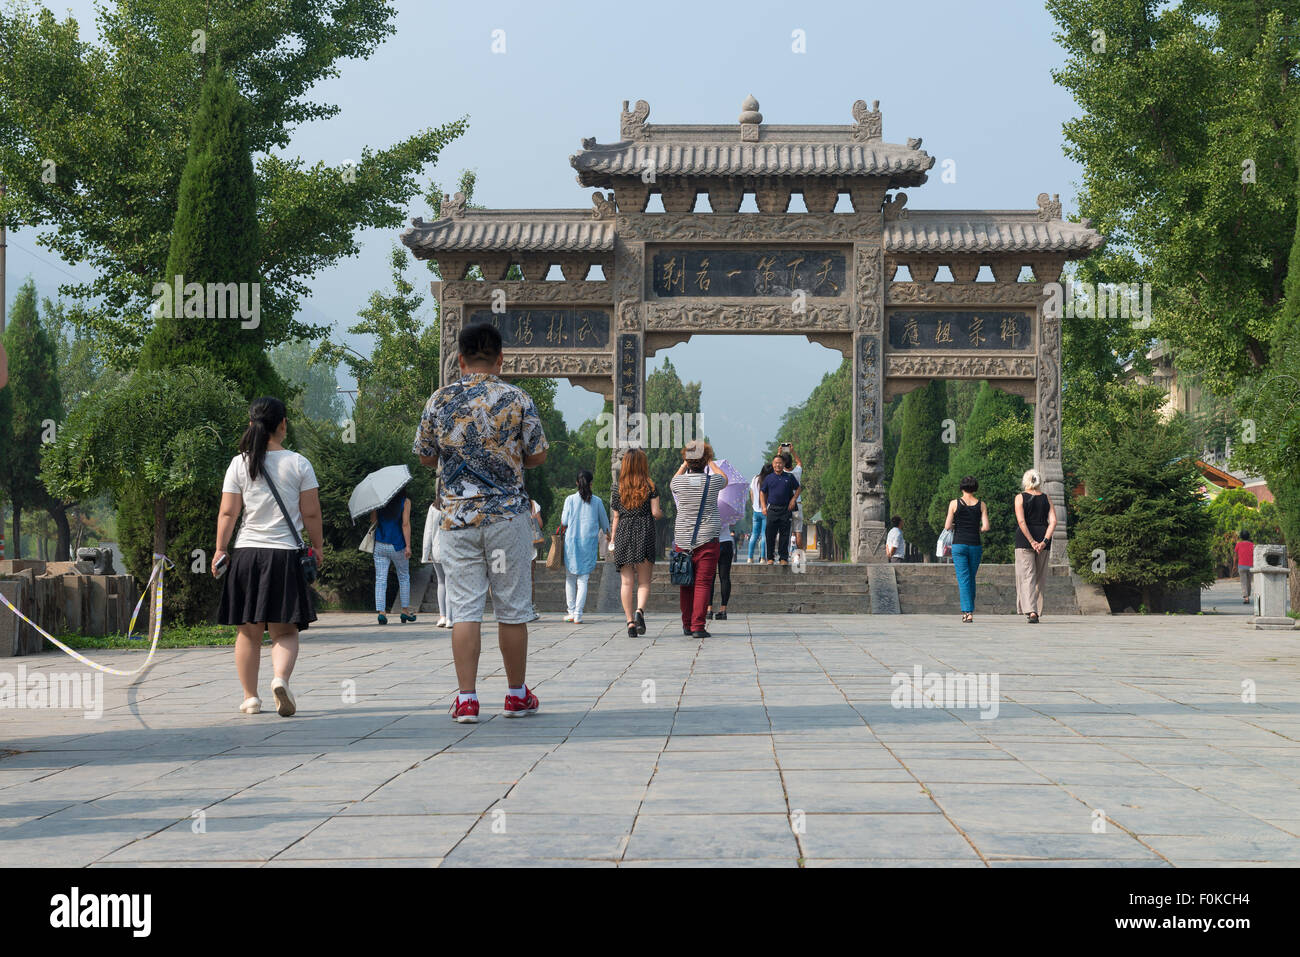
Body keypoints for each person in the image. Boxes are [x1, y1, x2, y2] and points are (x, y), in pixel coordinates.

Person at [413, 323, 548, 724]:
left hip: (457, 518)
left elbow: (424, 455)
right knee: (512, 608)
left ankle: (467, 699)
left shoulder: (439, 401)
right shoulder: (517, 398)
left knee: (465, 609)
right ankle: (515, 694)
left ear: (460, 359)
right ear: (501, 358)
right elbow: (538, 455)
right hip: (507, 517)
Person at [214, 397, 323, 717]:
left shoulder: (238, 463)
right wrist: (317, 547)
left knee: (248, 631)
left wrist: (221, 549)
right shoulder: (300, 464)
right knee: (285, 630)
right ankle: (280, 679)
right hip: (286, 556)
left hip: (247, 555)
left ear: (251, 425)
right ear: (283, 425)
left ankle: (250, 697)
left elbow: (228, 512)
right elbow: (312, 513)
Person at [671, 440, 727, 638]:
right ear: (705, 459)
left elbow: (673, 481)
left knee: (685, 583)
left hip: (683, 540)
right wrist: (711, 462)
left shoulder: (678, 482)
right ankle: (698, 626)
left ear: (686, 459)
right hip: (707, 539)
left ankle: (687, 625)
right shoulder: (713, 482)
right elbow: (724, 478)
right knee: (703, 583)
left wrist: (684, 464)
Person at [610, 447, 662, 637]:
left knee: (626, 582)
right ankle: (640, 611)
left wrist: (613, 539)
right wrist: (660, 512)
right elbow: (656, 513)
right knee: (644, 581)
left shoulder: (617, 488)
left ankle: (630, 623)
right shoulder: (650, 486)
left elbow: (616, 516)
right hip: (644, 531)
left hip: (623, 532)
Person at [559, 469, 610, 623]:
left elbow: (564, 522)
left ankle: (571, 612)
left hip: (571, 543)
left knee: (570, 577)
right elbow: (605, 524)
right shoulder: (597, 501)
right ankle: (578, 615)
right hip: (588, 544)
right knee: (583, 579)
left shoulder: (569, 500)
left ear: (576, 483)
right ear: (591, 484)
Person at [944, 475, 990, 623]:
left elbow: (947, 526)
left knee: (963, 579)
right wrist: (979, 529)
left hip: (959, 545)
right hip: (975, 545)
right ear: (974, 487)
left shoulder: (954, 503)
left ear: (962, 487)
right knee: (970, 577)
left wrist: (955, 526)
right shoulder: (981, 505)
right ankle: (969, 609)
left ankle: (968, 612)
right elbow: (986, 527)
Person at [1013, 469, 1058, 624]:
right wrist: (1044, 541)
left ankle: (1031, 610)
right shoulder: (1047, 498)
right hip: (1043, 538)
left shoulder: (1020, 498)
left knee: (1027, 576)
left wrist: (1032, 541)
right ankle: (1036, 610)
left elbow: (1021, 521)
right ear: (1039, 481)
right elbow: (1053, 521)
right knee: (1039, 577)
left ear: (1025, 480)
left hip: (1025, 539)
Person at [371, 491, 414, 625]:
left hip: (380, 544)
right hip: (398, 545)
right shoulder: (405, 501)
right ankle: (405, 610)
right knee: (404, 577)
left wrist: (374, 507)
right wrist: (408, 546)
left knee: (381, 579)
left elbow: (373, 521)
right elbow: (405, 524)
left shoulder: (380, 501)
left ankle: (381, 612)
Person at [759, 452, 800, 564]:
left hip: (785, 509)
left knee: (785, 535)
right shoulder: (768, 478)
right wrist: (763, 506)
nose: (778, 465)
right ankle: (770, 558)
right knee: (770, 534)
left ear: (783, 464)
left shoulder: (789, 477)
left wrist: (793, 500)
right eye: (776, 463)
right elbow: (762, 492)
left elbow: (798, 488)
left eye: (780, 463)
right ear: (773, 464)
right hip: (772, 509)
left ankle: (783, 558)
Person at [422, 485, 452, 628]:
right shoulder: (455, 505)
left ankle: (442, 616)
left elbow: (428, 532)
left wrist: (425, 553)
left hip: (437, 550)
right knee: (451, 583)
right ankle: (451, 618)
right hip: (453, 550)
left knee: (441, 582)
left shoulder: (433, 508)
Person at [706, 519, 735, 621]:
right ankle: (723, 610)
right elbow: (732, 522)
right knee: (725, 577)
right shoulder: (727, 504)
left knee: (710, 578)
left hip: (711, 541)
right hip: (726, 541)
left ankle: (709, 610)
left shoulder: (708, 506)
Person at [747, 462, 773, 563]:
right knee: (764, 535)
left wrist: (754, 505)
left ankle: (750, 557)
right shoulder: (769, 480)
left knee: (754, 535)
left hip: (756, 510)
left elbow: (751, 492)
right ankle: (762, 557)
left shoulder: (755, 478)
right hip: (766, 510)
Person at [783, 445, 806, 550]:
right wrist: (793, 451)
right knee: (798, 532)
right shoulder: (797, 472)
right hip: (798, 503)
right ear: (791, 462)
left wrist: (779, 453)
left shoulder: (782, 474)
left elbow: (775, 466)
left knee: (785, 532)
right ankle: (801, 556)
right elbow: (800, 463)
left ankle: (785, 556)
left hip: (786, 505)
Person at [1236, 530, 1255, 605]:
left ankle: (1246, 597)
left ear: (1241, 537)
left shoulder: (1238, 544)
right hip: (1250, 566)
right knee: (1248, 582)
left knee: (1243, 582)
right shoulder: (1252, 545)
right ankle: (1248, 596)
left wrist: (1234, 565)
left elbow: (1235, 556)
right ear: (1248, 536)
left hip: (1241, 565)